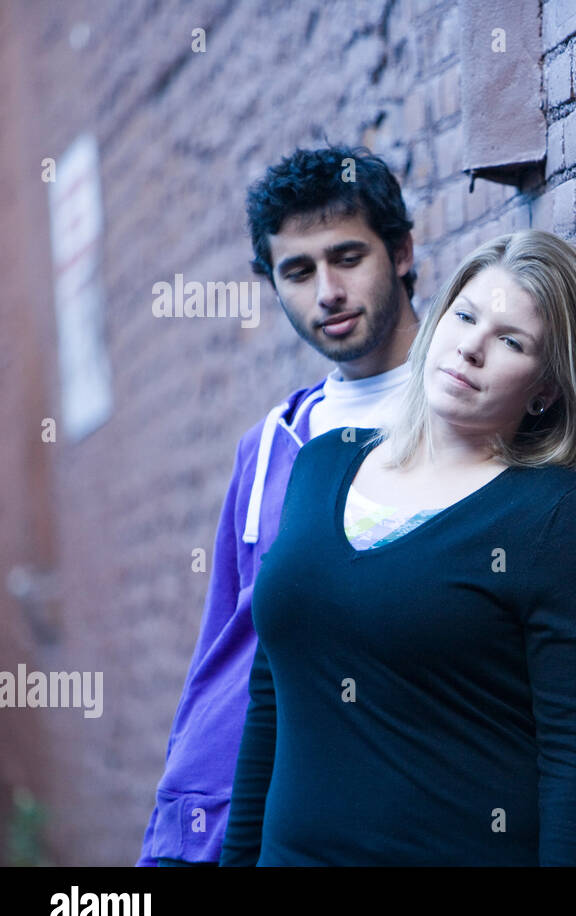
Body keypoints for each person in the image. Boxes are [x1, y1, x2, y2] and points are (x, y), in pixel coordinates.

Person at [218, 230, 576, 866]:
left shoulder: (549, 515)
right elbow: (268, 696)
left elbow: (574, 753)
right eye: (464, 316)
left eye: (510, 341)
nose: (471, 347)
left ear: (544, 390)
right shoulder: (323, 461)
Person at [136, 145, 425, 866]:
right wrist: (188, 820)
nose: (327, 291)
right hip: (282, 826)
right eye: (297, 272)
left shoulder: (474, 404)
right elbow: (229, 654)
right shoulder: (271, 448)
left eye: (347, 257)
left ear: (402, 251)